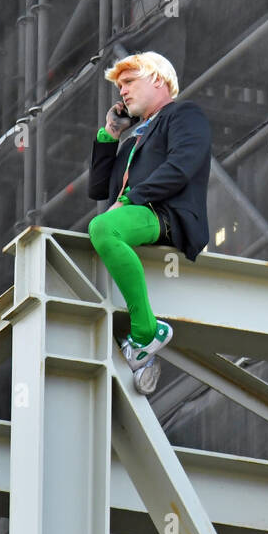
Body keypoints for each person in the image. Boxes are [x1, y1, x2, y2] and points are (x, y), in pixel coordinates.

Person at [87, 51, 212, 394]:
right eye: (120, 87)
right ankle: (140, 346)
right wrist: (111, 133)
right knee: (102, 226)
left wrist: (128, 200)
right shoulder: (133, 142)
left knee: (103, 227)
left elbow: (181, 167)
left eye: (129, 82)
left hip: (166, 216)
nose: (122, 92)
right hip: (139, 216)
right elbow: (98, 189)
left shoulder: (184, 115)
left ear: (157, 79)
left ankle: (146, 331)